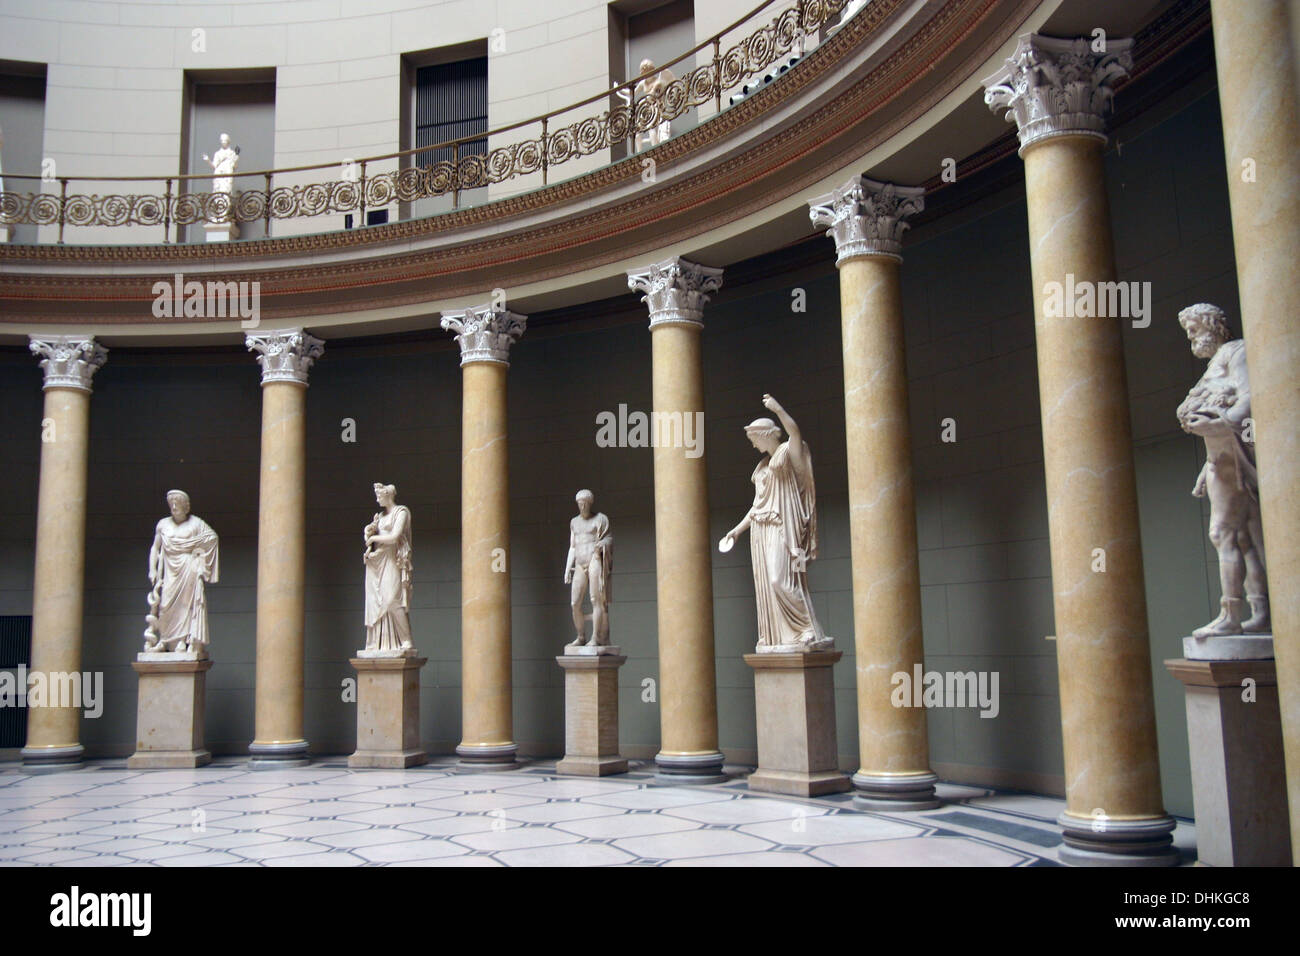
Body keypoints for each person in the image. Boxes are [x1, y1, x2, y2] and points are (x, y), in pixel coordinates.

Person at [1176, 303, 1269, 636]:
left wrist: (1217, 421)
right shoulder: (1215, 363)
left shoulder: (1236, 352)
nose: (1191, 337)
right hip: (1218, 460)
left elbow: (1249, 399)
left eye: (1194, 330)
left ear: (1212, 326)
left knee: (1224, 534)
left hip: (1234, 457)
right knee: (1244, 538)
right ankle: (1258, 612)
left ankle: (1232, 615)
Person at [720, 394, 829, 651]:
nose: (753, 445)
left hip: (784, 527)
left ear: (766, 434)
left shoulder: (788, 454)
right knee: (769, 584)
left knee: (781, 579)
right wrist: (737, 531)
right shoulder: (762, 467)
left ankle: (806, 629)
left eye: (754, 439)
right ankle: (781, 635)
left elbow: (794, 433)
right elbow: (758, 506)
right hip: (762, 529)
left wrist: (778, 409)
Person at [143, 490, 219, 653]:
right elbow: (155, 548)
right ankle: (165, 640)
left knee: (186, 605)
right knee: (165, 604)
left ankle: (182, 641)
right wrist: (152, 570)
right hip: (170, 569)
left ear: (186, 506)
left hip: (188, 567)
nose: (174, 506)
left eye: (178, 503)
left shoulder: (196, 524)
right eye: (172, 503)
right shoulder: (162, 524)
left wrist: (200, 559)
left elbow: (212, 538)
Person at [363, 483, 414, 652]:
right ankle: (379, 644)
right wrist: (369, 532)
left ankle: (406, 641)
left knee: (392, 599)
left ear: (388, 495)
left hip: (392, 559)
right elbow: (371, 536)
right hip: (377, 561)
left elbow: (394, 536)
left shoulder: (401, 512)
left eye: (379, 495)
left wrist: (374, 538)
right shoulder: (380, 516)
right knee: (377, 601)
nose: (377, 499)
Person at [565, 489, 613, 648]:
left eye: (585, 502)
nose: (582, 505)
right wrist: (567, 569)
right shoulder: (574, 522)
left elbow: (608, 538)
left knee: (595, 599)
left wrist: (602, 544)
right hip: (579, 562)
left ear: (590, 503)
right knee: (575, 603)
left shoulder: (600, 519)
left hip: (594, 559)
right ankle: (581, 636)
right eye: (580, 502)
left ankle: (596, 637)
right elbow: (572, 547)